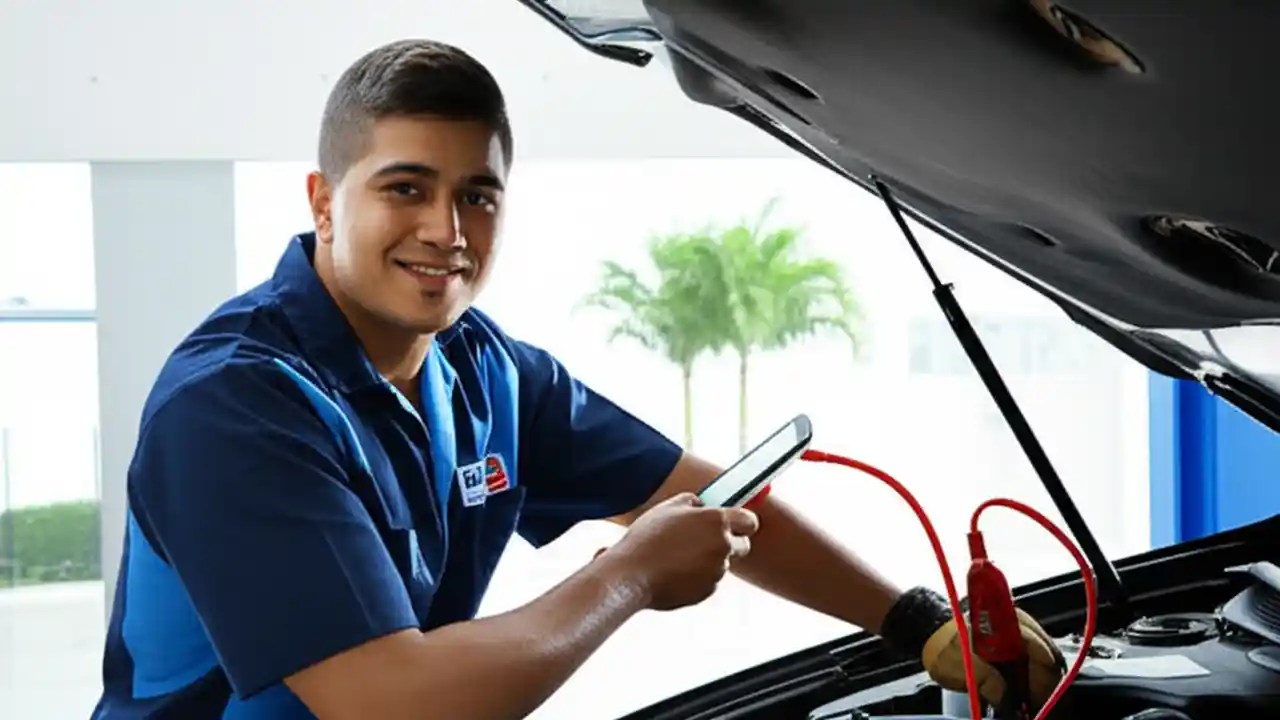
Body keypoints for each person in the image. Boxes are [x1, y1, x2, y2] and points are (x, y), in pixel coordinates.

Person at [91, 38, 1064, 720]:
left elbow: (705, 495)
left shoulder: (487, 373)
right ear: (322, 200)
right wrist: (628, 574)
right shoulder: (235, 405)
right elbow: (388, 704)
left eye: (477, 195)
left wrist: (917, 624)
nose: (448, 231)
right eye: (404, 188)